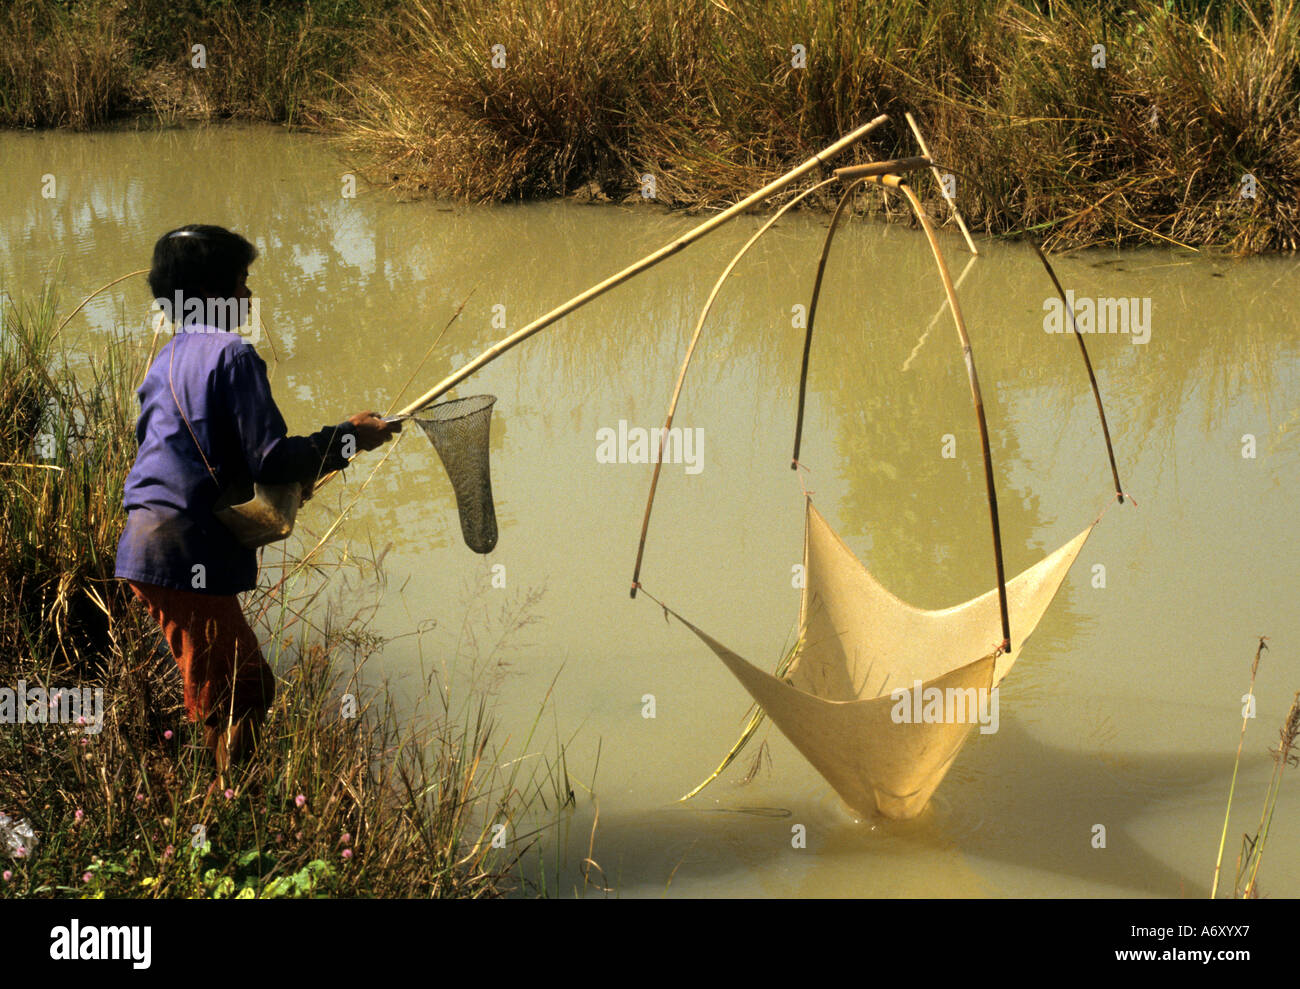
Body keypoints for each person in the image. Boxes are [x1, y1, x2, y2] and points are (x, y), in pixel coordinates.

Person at [114, 224, 397, 785]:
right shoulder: (233, 356)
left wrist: (289, 476)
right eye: (241, 284)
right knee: (248, 688)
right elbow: (270, 459)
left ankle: (219, 798)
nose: (248, 297)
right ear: (214, 293)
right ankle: (230, 809)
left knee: (227, 683)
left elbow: (179, 451)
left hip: (150, 542)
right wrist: (348, 438)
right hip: (182, 546)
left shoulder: (166, 360)